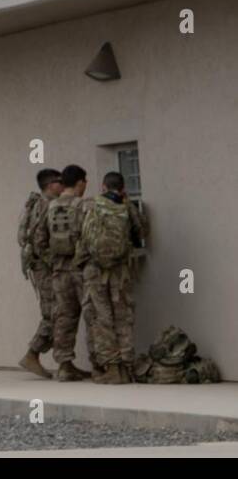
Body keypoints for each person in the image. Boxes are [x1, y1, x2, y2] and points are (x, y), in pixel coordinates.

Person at [78, 172, 146, 385]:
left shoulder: (89, 205)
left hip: (94, 269)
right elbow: (141, 233)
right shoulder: (127, 207)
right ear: (122, 187)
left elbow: (78, 235)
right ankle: (127, 367)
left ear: (103, 186)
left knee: (101, 317)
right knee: (123, 316)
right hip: (120, 270)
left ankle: (112, 369)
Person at [36, 164, 93, 382]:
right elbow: (92, 237)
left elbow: (39, 240)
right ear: (80, 182)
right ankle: (100, 364)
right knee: (92, 315)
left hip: (59, 271)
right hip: (80, 269)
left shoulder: (49, 207)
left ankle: (64, 365)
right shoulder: (84, 205)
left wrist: (55, 262)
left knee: (64, 318)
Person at [18, 167, 63, 379]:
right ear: (50, 184)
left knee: (59, 311)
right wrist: (53, 263)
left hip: (42, 266)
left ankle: (64, 361)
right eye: (59, 182)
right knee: (53, 313)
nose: (62, 186)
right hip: (44, 268)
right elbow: (38, 241)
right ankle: (32, 354)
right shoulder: (44, 205)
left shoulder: (41, 204)